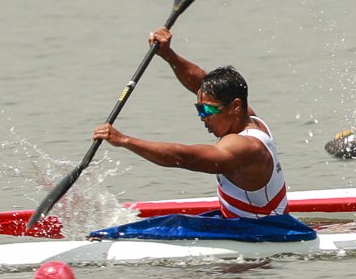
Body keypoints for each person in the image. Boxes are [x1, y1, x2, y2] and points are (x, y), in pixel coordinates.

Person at [90, 28, 286, 218]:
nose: (202, 117)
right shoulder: (249, 119)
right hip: (250, 222)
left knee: (170, 225)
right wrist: (168, 55)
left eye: (207, 110)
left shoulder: (244, 146)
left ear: (235, 106)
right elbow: (199, 81)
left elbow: (184, 157)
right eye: (199, 109)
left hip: (260, 232)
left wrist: (124, 140)